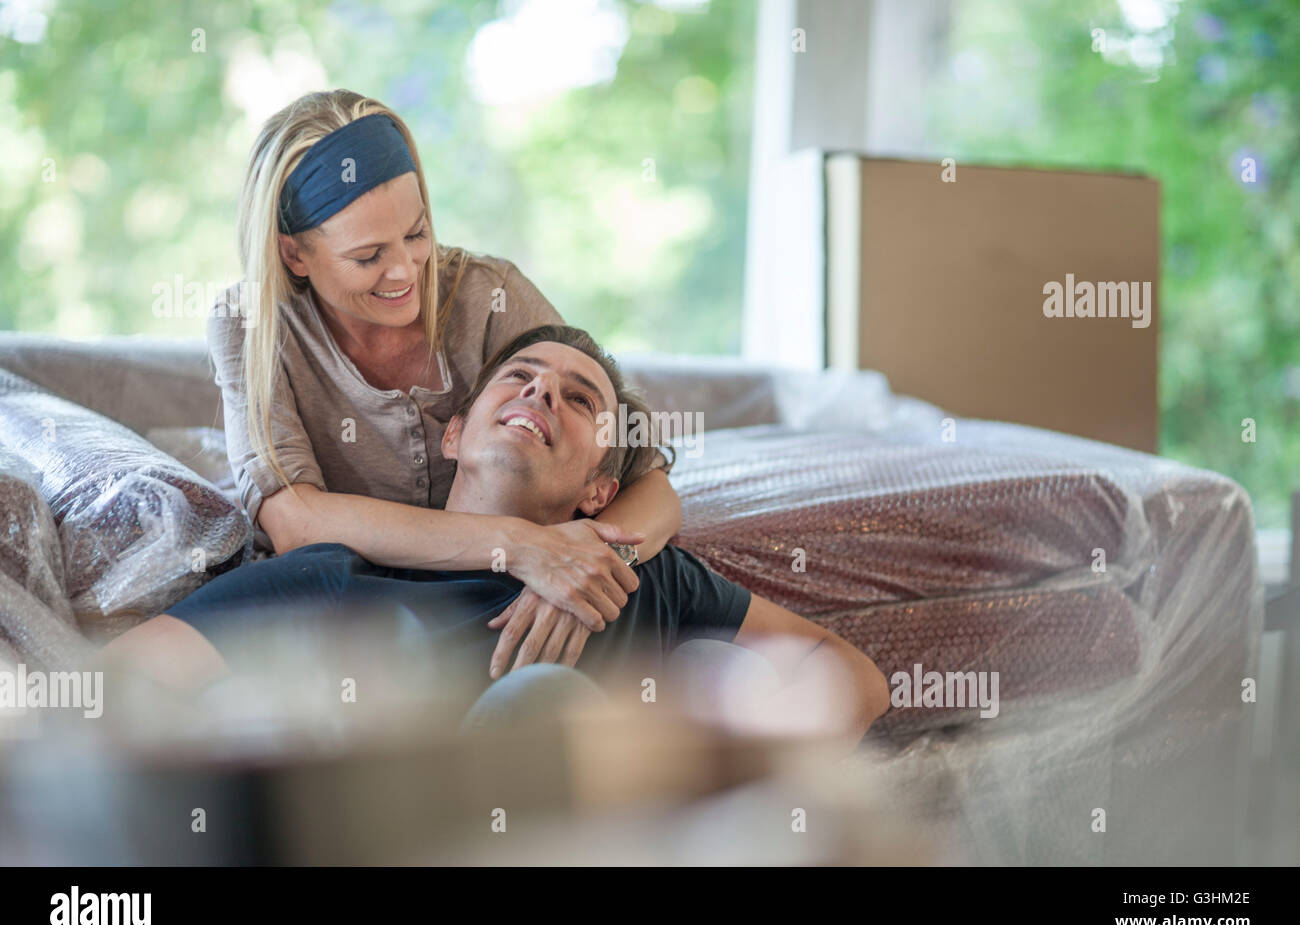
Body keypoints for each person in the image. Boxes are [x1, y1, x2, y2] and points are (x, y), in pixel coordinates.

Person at [99, 326, 891, 745]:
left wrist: (723, 771)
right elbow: (119, 686)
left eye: (580, 400)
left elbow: (853, 674)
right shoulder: (339, 577)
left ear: (600, 490)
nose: (544, 388)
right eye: (520, 378)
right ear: (453, 438)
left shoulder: (648, 582)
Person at [212, 88, 680, 667]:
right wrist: (529, 550)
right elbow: (294, 521)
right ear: (294, 255)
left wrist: (588, 572)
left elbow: (648, 483)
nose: (405, 272)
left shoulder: (489, 295)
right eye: (368, 256)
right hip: (346, 621)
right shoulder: (249, 324)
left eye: (416, 234)